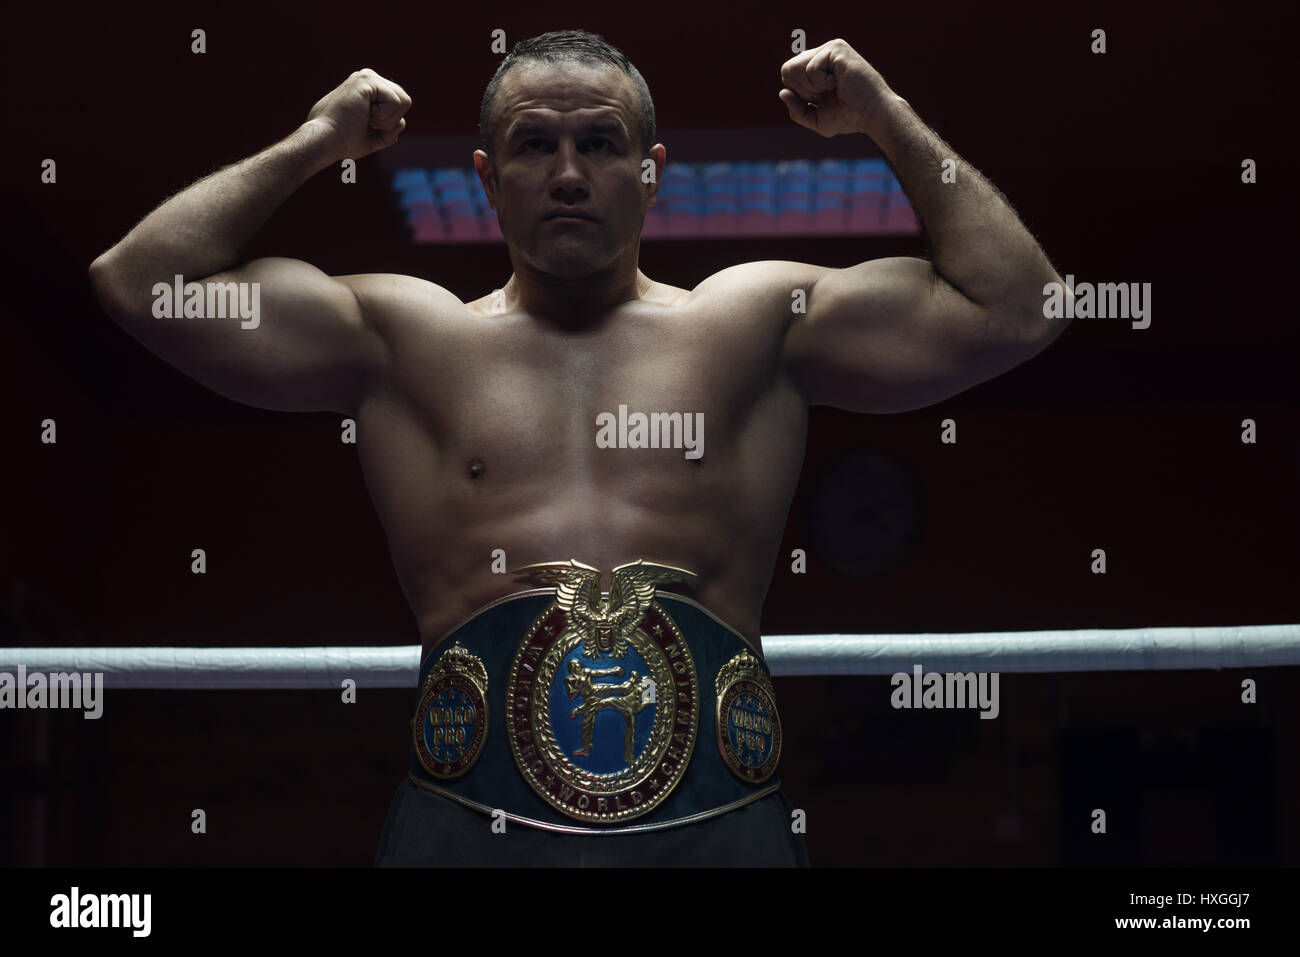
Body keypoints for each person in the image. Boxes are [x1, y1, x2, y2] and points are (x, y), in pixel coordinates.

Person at [87, 30, 1069, 866]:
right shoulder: (402, 336)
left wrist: (885, 112)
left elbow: (1019, 307)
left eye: (601, 144)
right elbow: (140, 282)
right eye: (533, 146)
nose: (567, 174)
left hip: (717, 828)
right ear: (487, 177)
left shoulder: (757, 321)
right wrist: (317, 141)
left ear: (650, 174)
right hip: (469, 828)